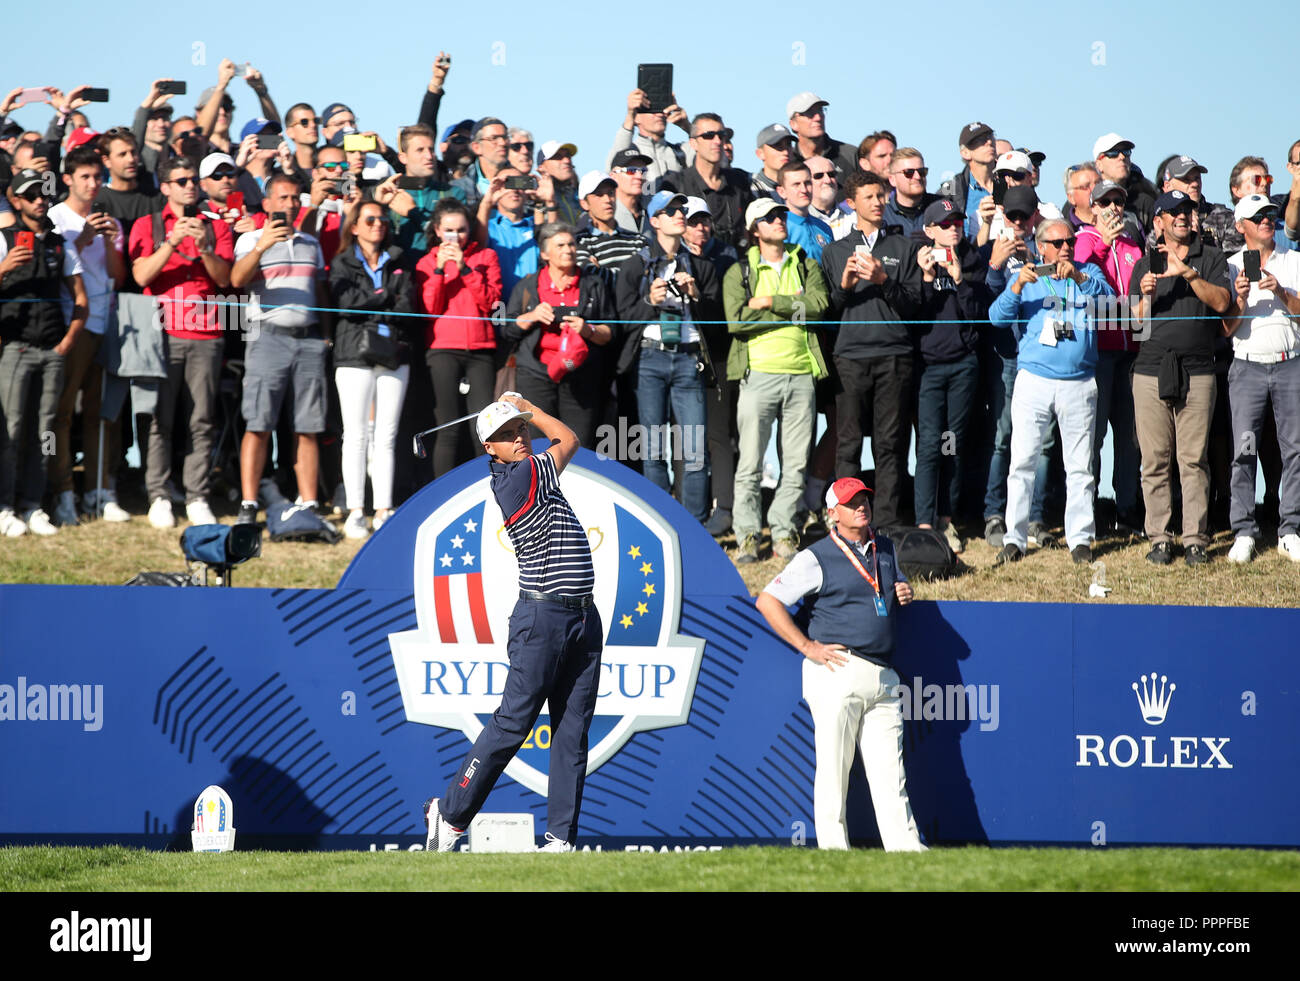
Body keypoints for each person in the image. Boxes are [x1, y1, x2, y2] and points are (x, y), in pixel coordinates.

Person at [424, 394, 602, 854]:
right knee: (512, 725)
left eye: (521, 428)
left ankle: (560, 839)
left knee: (572, 730)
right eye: (508, 435)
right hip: (541, 618)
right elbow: (569, 437)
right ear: (490, 448)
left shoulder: (529, 470)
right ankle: (450, 813)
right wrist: (526, 404)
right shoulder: (521, 475)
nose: (520, 438)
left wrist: (520, 411)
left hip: (582, 614)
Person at [754, 477, 925, 852]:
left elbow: (893, 587)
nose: (861, 506)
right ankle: (834, 851)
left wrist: (904, 589)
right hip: (837, 670)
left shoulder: (884, 547)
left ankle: (908, 851)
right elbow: (767, 601)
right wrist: (807, 646)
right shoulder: (816, 556)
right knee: (834, 770)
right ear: (833, 513)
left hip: (883, 674)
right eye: (851, 502)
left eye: (863, 499)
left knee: (890, 775)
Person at [989, 218, 1114, 565]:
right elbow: (996, 319)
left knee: (1079, 466)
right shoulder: (1027, 276)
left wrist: (1078, 277)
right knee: (1023, 461)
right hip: (1034, 380)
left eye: (1069, 242)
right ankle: (1015, 538)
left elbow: (1111, 306)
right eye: (1057, 243)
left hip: (1079, 381)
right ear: (1040, 245)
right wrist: (1015, 289)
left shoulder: (1088, 273)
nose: (1065, 248)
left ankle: (1080, 539)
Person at [722, 197, 830, 561]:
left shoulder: (805, 264)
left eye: (781, 214)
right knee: (750, 462)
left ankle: (784, 532)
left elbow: (817, 309)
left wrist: (769, 301)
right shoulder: (739, 271)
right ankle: (748, 535)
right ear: (756, 230)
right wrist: (791, 307)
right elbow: (737, 322)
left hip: (801, 374)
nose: (779, 220)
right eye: (769, 217)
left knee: (797, 462)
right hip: (758, 375)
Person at [1129, 191, 1233, 566]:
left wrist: (1187, 272)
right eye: (1173, 213)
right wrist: (1145, 297)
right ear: (1158, 222)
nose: (1183, 217)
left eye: (1187, 211)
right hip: (1150, 370)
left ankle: (1195, 539)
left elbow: (1223, 303)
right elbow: (1133, 325)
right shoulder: (1144, 264)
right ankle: (1159, 537)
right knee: (1155, 459)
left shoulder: (1211, 257)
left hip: (1199, 369)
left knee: (1193, 459)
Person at [129, 155, 234, 528]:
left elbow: (224, 280)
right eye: (181, 179)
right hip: (160, 334)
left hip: (206, 333)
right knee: (160, 418)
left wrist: (205, 247)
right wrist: (171, 242)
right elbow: (141, 274)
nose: (190, 185)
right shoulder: (148, 224)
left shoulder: (215, 227)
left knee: (202, 420)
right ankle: (158, 492)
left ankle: (197, 495)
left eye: (193, 179)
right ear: (165, 187)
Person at [820, 171, 924, 528]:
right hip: (849, 359)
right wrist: (845, 287)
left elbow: (914, 305)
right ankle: (846, 522)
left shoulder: (903, 247)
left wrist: (884, 281)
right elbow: (829, 309)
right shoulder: (834, 251)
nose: (879, 202)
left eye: (882, 196)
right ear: (851, 203)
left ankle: (885, 524)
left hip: (894, 357)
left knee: (890, 445)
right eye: (870, 197)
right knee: (847, 444)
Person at [615, 192, 722, 522]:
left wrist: (695, 296)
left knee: (694, 450)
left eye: (682, 210)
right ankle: (660, 522)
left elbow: (719, 320)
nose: (680, 214)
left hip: (690, 359)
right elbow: (620, 317)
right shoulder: (636, 264)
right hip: (650, 359)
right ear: (654, 220)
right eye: (670, 210)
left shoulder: (701, 265)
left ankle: (694, 527)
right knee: (652, 448)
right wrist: (649, 301)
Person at [231, 174, 330, 527]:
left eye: (294, 198)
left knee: (309, 426)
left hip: (308, 340)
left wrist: (326, 336)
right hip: (267, 337)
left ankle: (309, 503)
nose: (289, 204)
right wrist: (261, 247)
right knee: (258, 422)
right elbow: (237, 281)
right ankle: (248, 502)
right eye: (282, 198)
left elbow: (319, 293)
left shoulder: (310, 243)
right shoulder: (250, 239)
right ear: (269, 203)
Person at [0, 169, 89, 538]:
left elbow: (81, 299)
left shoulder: (60, 243)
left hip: (51, 349)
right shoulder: (3, 240)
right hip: (13, 348)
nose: (40, 199)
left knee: (45, 431)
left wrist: (67, 342)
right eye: (31, 194)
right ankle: (5, 506)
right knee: (10, 429)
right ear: (16, 200)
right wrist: (4, 268)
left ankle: (34, 505)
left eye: (43, 193)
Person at [48, 146, 128, 526]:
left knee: (101, 414)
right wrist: (81, 239)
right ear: (67, 179)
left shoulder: (110, 221)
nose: (94, 184)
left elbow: (119, 276)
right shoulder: (55, 218)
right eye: (85, 176)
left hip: (105, 324)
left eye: (98, 177)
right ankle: (63, 493)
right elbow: (55, 270)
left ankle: (99, 490)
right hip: (68, 324)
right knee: (61, 414)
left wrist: (109, 242)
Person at [329, 199, 417, 539]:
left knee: (387, 436)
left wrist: (372, 298)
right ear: (354, 226)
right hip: (353, 354)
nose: (377, 224)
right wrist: (385, 296)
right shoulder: (342, 262)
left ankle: (382, 508)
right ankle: (355, 510)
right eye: (369, 219)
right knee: (355, 435)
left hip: (394, 353)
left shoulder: (399, 259)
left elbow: (408, 305)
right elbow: (345, 304)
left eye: (381, 219)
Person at [1221, 194, 1300, 563]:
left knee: (1295, 450)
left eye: (1270, 214)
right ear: (1241, 227)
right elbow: (1226, 329)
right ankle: (1244, 530)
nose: (1267, 220)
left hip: (1290, 365)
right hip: (1248, 367)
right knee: (1245, 450)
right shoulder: (1230, 266)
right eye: (1258, 217)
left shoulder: (1293, 260)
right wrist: (1238, 300)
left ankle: (1290, 529)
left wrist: (1281, 293)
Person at [913, 200, 989, 552]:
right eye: (944, 224)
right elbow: (914, 314)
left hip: (962, 366)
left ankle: (947, 519)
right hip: (929, 368)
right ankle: (924, 523)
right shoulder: (919, 261)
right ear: (929, 230)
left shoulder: (972, 260)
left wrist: (960, 280)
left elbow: (977, 315)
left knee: (951, 445)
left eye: (957, 221)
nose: (953, 228)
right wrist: (927, 279)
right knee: (929, 446)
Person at [1073, 180, 1143, 533]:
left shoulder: (1134, 245)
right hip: (1099, 352)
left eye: (1118, 200)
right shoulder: (1085, 238)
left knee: (1131, 437)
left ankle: (1127, 508)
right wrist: (1102, 242)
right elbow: (1080, 278)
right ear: (1094, 206)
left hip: (1132, 352)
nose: (1113, 207)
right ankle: (1093, 511)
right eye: (1106, 201)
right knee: (1095, 434)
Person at [505, 222, 614, 447]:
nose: (568, 249)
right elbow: (508, 330)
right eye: (561, 245)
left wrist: (588, 329)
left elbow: (610, 333)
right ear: (545, 253)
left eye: (572, 244)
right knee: (535, 444)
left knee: (578, 444)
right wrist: (533, 315)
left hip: (579, 375)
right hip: (536, 375)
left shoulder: (593, 284)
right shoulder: (527, 286)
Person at [415, 198, 503, 478]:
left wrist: (465, 269)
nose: (456, 237)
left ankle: (490, 488)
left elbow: (492, 303)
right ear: (438, 231)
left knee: (483, 425)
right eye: (449, 230)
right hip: (442, 349)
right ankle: (443, 492)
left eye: (462, 230)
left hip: (481, 350)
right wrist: (440, 271)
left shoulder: (485, 257)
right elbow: (429, 309)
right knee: (448, 426)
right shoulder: (426, 261)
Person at [676, 114, 752, 248]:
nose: (717, 141)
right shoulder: (677, 183)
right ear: (693, 143)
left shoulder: (740, 181)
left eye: (721, 135)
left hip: (737, 262)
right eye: (709, 135)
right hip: (696, 264)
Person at [607, 88, 690, 194]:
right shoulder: (631, 152)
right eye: (652, 110)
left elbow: (713, 154)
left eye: (662, 110)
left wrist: (687, 126)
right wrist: (630, 116)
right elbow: (613, 166)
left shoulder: (680, 152)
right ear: (636, 118)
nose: (660, 114)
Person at [1091, 133, 1157, 234]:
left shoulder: (1144, 202)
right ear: (1099, 164)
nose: (1122, 157)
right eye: (1113, 153)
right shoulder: (1084, 198)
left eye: (1126, 152)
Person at [785, 92, 857, 181]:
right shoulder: (787, 161)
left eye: (820, 110)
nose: (818, 117)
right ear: (793, 124)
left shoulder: (850, 155)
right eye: (810, 113)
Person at [776, 161, 833, 262]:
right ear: (782, 192)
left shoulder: (824, 227)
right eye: (796, 184)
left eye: (807, 183)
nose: (804, 189)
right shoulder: (779, 227)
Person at [885, 148, 938, 238]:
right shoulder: (882, 215)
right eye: (909, 173)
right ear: (892, 179)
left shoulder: (941, 208)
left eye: (922, 172)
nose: (917, 177)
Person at [609, 148, 652, 235]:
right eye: (631, 171)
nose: (639, 176)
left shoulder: (652, 214)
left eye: (643, 171)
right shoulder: (605, 214)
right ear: (613, 176)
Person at [751, 124, 796, 200]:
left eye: (788, 144)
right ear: (760, 153)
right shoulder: (751, 190)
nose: (785, 152)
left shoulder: (803, 188)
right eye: (777, 145)